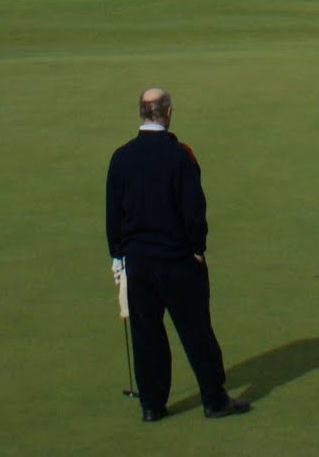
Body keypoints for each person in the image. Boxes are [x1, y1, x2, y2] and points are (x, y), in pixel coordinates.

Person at [106, 88, 251, 422]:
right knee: (196, 331)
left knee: (147, 334)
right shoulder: (180, 155)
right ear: (168, 113)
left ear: (141, 113)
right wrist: (197, 249)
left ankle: (152, 405)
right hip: (178, 260)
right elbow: (194, 210)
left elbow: (113, 213)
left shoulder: (121, 157)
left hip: (138, 261)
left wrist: (117, 256)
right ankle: (214, 399)